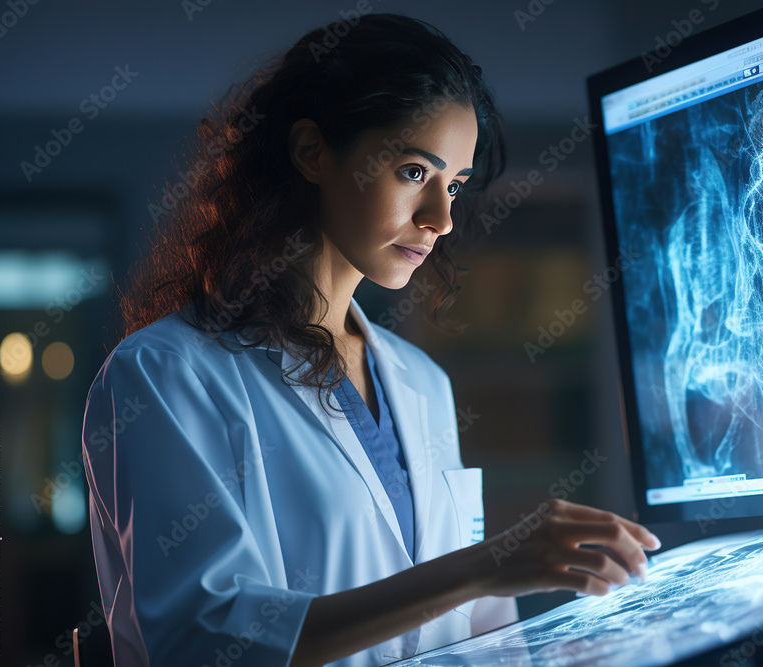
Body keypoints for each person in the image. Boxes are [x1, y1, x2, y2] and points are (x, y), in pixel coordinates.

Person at [81, 12, 661, 667]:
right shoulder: (164, 374)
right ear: (312, 153)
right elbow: (206, 641)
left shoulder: (422, 381)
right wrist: (482, 567)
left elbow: (473, 621)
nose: (441, 218)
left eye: (455, 186)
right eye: (415, 172)